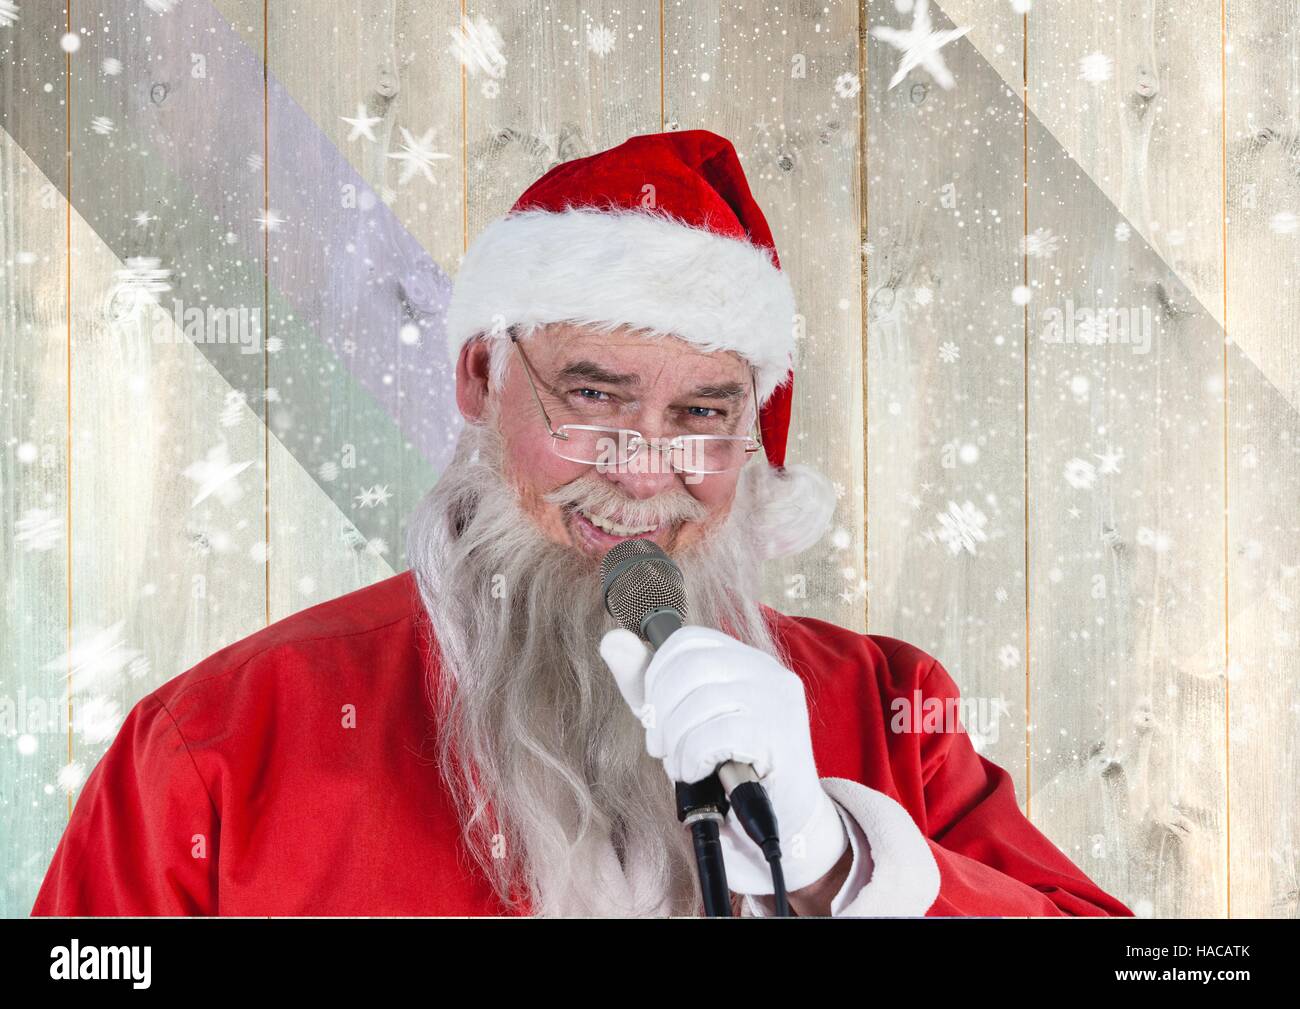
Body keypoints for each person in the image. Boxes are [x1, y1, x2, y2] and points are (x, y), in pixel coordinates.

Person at [32, 130, 1132, 918]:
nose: (644, 464)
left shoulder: (893, 717)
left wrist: (837, 862)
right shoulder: (219, 745)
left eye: (701, 414)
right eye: (592, 397)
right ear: (479, 377)